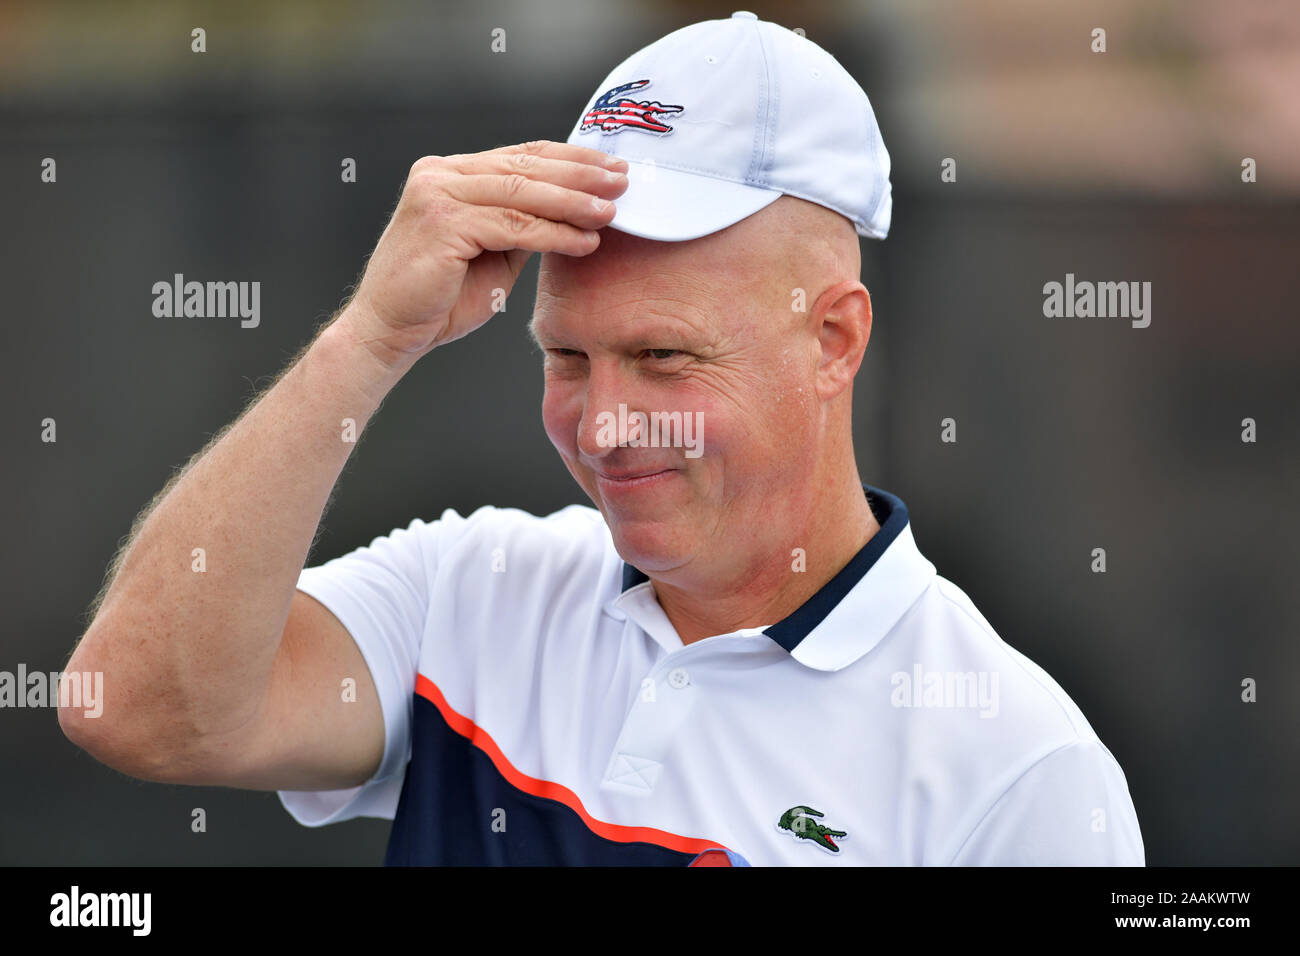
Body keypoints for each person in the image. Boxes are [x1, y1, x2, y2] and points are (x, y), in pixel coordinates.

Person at [59, 12, 1144, 865]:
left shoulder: (1011, 767)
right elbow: (138, 709)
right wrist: (368, 338)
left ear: (832, 338)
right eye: (566, 358)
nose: (606, 424)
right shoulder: (472, 587)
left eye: (664, 358)